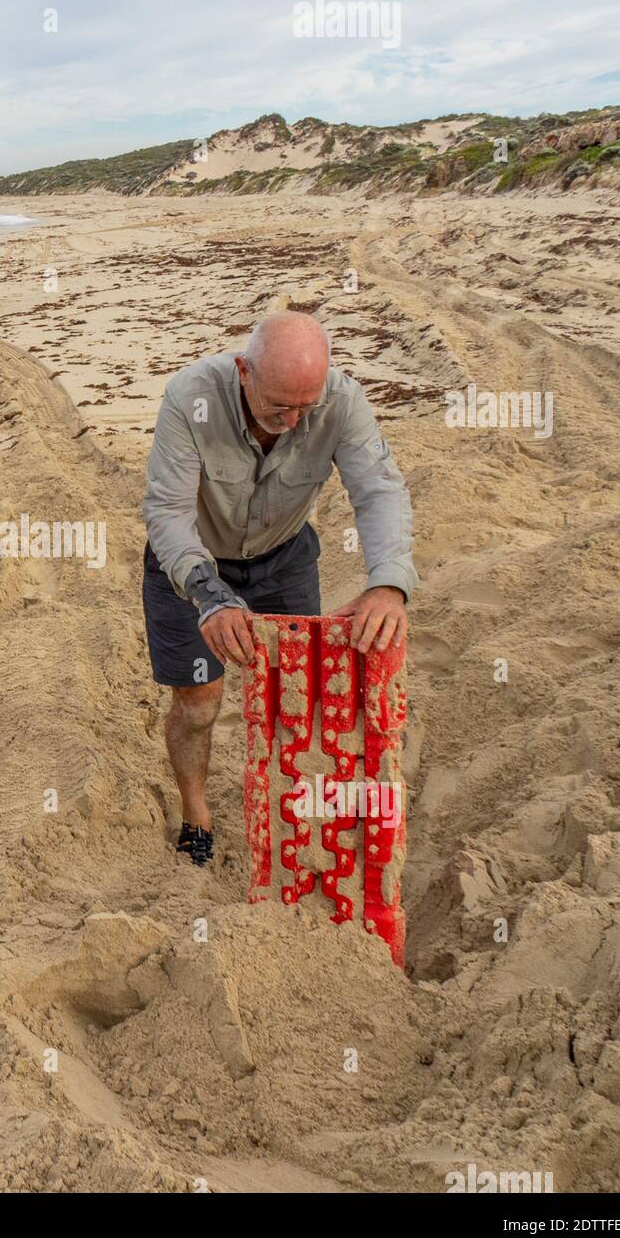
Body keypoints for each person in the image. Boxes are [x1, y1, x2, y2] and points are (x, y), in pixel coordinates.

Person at [141, 311, 416, 866]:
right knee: (199, 703)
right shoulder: (190, 397)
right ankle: (197, 815)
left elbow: (379, 492)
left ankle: (298, 812)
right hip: (191, 564)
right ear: (244, 371)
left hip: (283, 559)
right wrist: (211, 596)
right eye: (278, 406)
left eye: (305, 407)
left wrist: (388, 584)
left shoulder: (342, 401)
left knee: (303, 698)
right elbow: (167, 514)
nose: (293, 421)